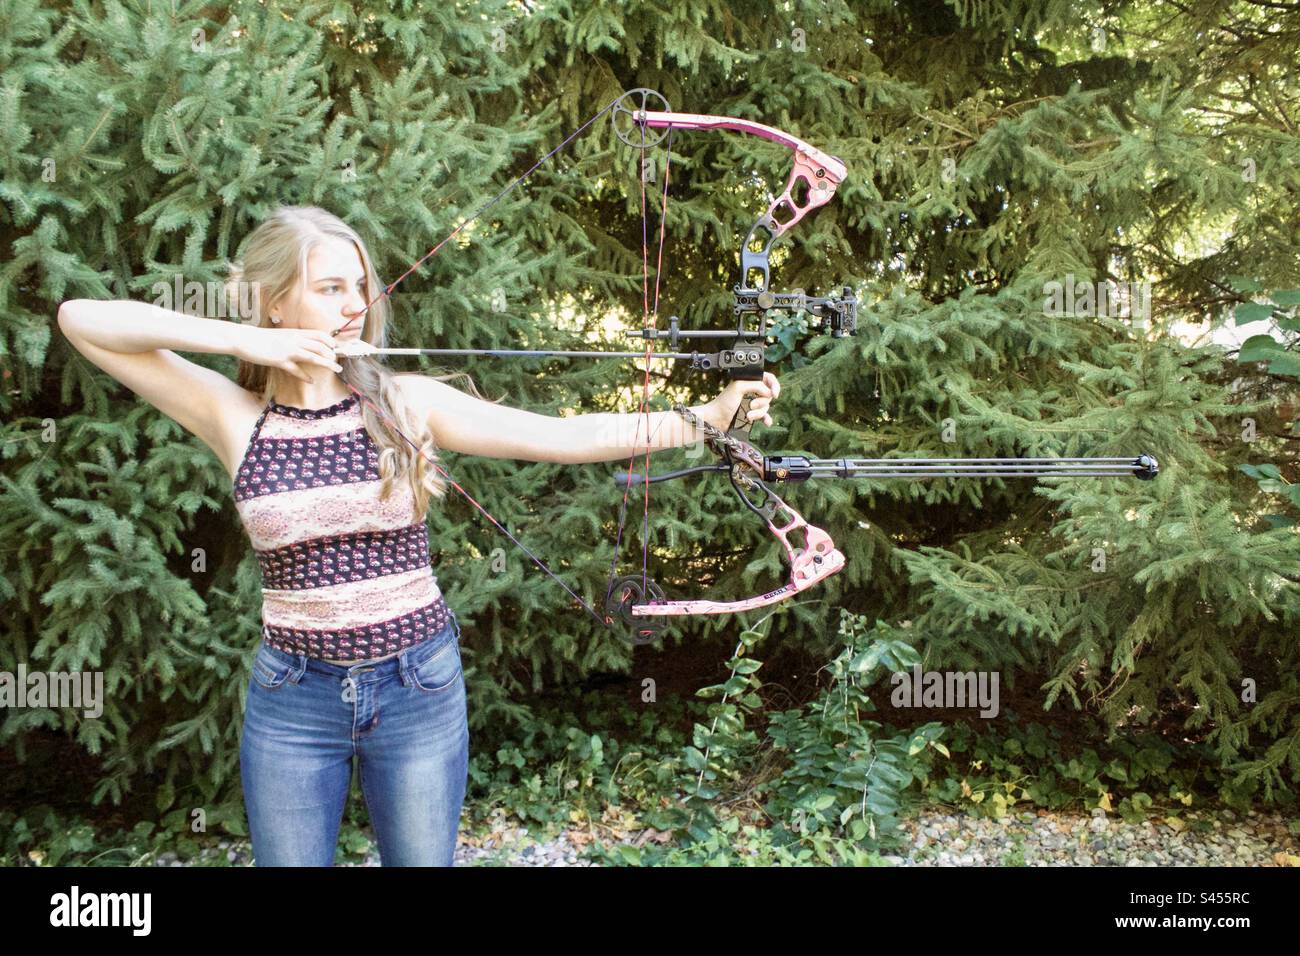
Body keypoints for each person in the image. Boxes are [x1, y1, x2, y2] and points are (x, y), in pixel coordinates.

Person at [56, 205, 781, 866]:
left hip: (416, 685)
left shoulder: (405, 403)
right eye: (330, 288)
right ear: (277, 301)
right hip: (293, 697)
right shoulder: (236, 416)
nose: (354, 306)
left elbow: (566, 436)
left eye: (360, 287)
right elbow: (81, 319)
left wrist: (706, 420)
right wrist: (246, 341)